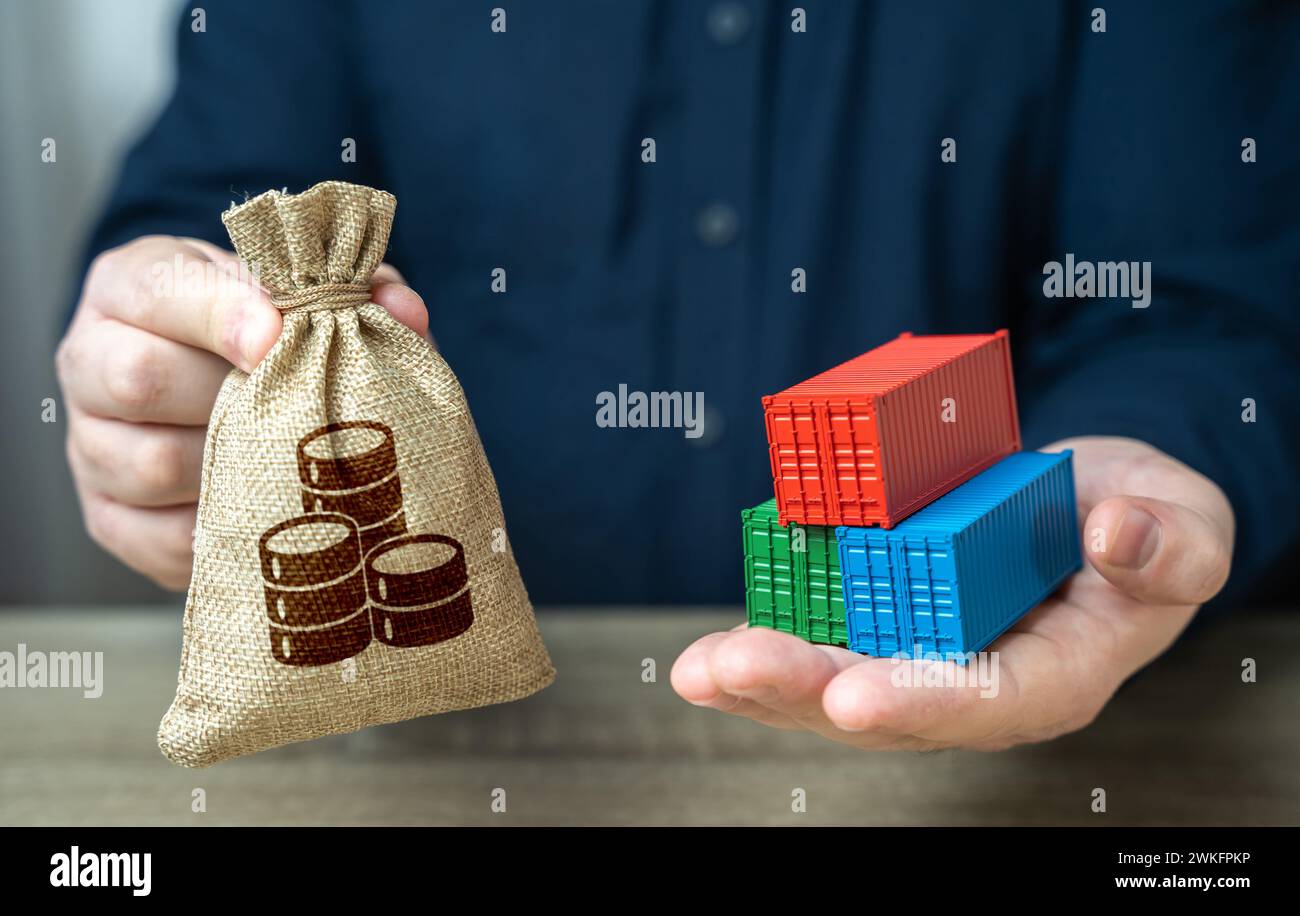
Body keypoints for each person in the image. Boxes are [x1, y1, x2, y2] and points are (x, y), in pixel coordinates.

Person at [56, 1, 1299, 751]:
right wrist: (169, 384)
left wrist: (1156, 461)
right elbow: (199, 212)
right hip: (424, 759)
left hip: (1046, 769)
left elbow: (1199, 300)